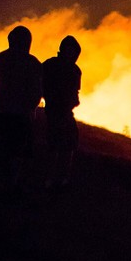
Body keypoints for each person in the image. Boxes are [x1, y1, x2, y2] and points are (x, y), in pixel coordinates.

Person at [0, 25, 43, 192]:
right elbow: (37, 90)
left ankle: (1, 184)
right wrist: (30, 107)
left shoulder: (0, 59)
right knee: (18, 151)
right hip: (21, 115)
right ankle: (13, 185)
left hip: (2, 112)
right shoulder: (33, 63)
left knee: (5, 148)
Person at [42, 35, 82, 190]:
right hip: (59, 110)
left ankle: (53, 178)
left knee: (60, 143)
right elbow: (74, 93)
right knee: (64, 143)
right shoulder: (72, 69)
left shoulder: (49, 64)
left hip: (56, 110)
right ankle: (57, 178)